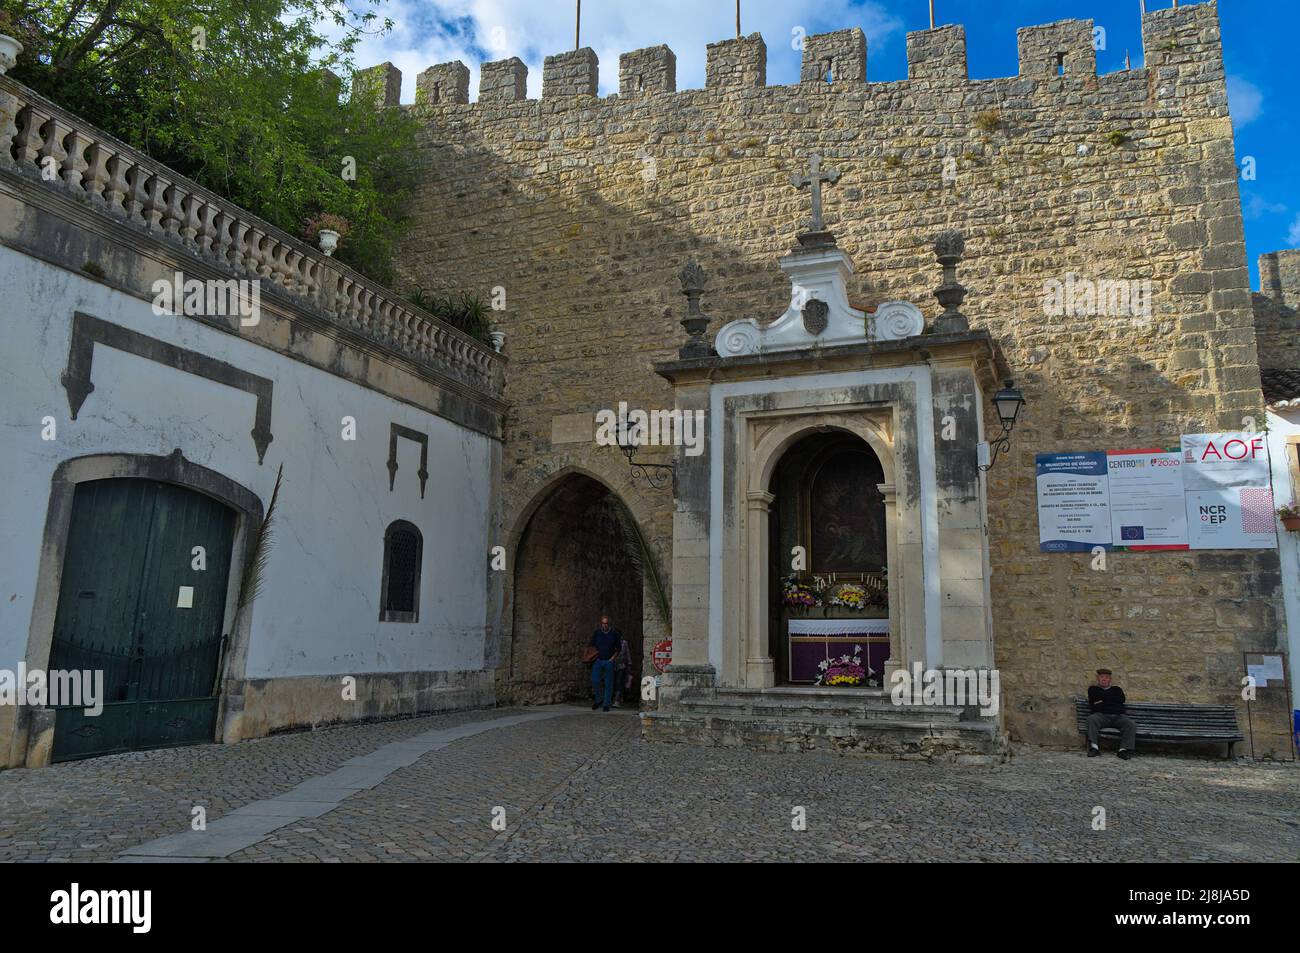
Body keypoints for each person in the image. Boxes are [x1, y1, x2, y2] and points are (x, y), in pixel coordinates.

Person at [1086, 668, 1137, 760]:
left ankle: (1123, 750)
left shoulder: (1117, 689)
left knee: (1130, 724)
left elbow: (1121, 699)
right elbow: (1093, 700)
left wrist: (1102, 701)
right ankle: (1094, 748)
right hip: (1101, 716)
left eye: (1106, 677)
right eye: (1102, 677)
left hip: (1118, 716)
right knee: (1091, 719)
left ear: (1110, 679)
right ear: (1098, 678)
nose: (1104, 679)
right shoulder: (1093, 689)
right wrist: (1111, 701)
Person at [589, 615, 622, 712]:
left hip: (609, 661)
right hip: (598, 660)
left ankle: (606, 704)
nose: (604, 625)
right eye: (603, 623)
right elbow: (591, 645)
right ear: (601, 623)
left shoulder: (614, 634)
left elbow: (618, 648)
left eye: (606, 623)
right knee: (595, 680)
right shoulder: (597, 633)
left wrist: (612, 659)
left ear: (609, 624)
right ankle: (599, 699)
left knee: (609, 683)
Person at [611, 634, 632, 708]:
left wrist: (629, 664)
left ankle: (617, 700)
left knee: (619, 682)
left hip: (621, 666)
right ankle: (612, 699)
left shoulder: (624, 643)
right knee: (612, 682)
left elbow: (627, 654)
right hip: (611, 666)